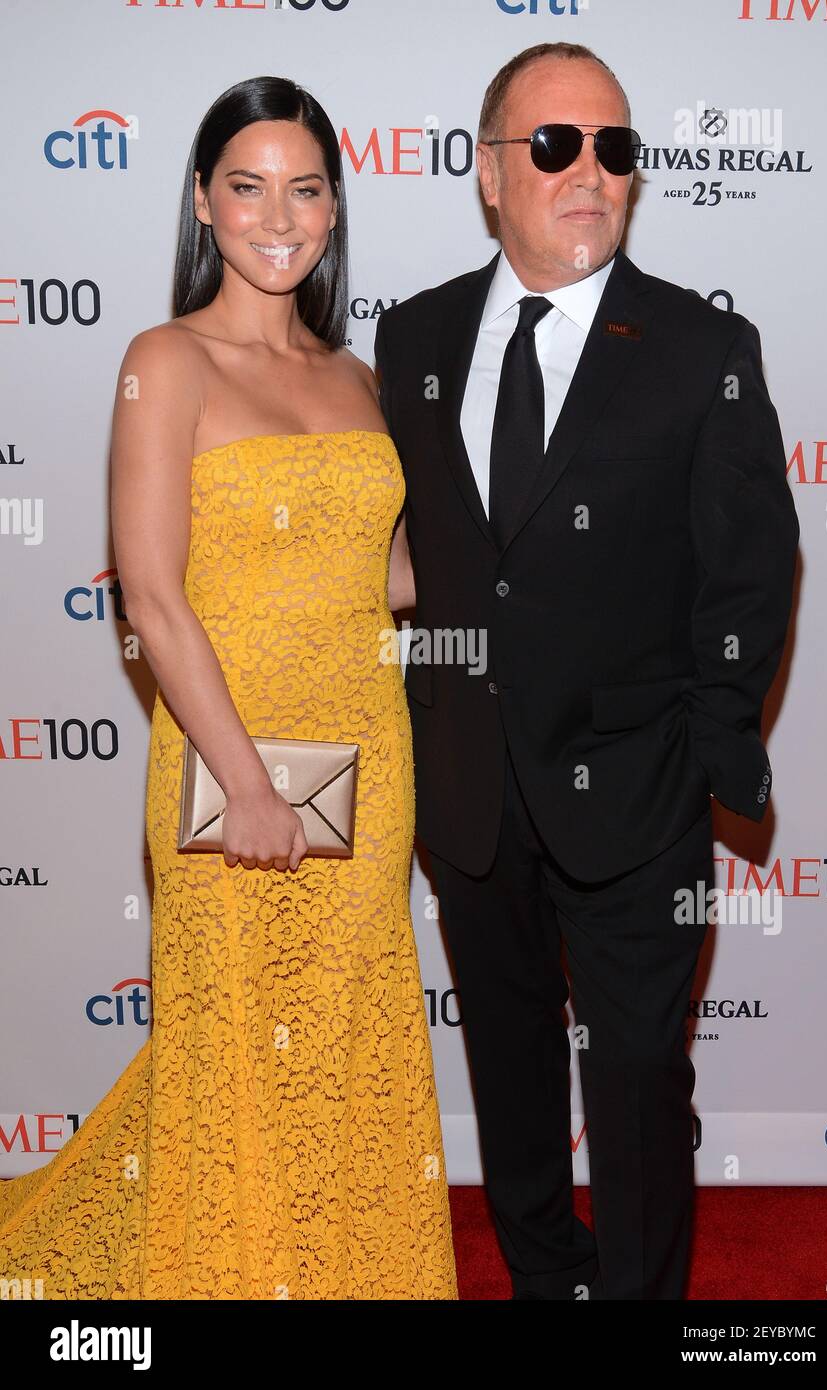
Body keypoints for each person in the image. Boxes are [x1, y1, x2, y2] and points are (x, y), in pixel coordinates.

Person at [0, 75, 456, 1301]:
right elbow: (150, 596)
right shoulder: (167, 361)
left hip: (368, 754)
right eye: (246, 185)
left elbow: (396, 576)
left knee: (348, 1047)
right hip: (228, 761)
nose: (277, 213)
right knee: (235, 1054)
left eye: (304, 187)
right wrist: (244, 784)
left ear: (332, 206)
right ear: (204, 202)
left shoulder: (357, 378)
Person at [374, 42, 799, 1300]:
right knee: (506, 1073)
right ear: (488, 172)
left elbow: (750, 573)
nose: (589, 173)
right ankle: (543, 1275)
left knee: (632, 1085)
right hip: (468, 794)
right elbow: (411, 551)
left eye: (614, 148)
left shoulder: (697, 346)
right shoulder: (415, 338)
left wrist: (706, 752)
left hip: (636, 797)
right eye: (555, 145)